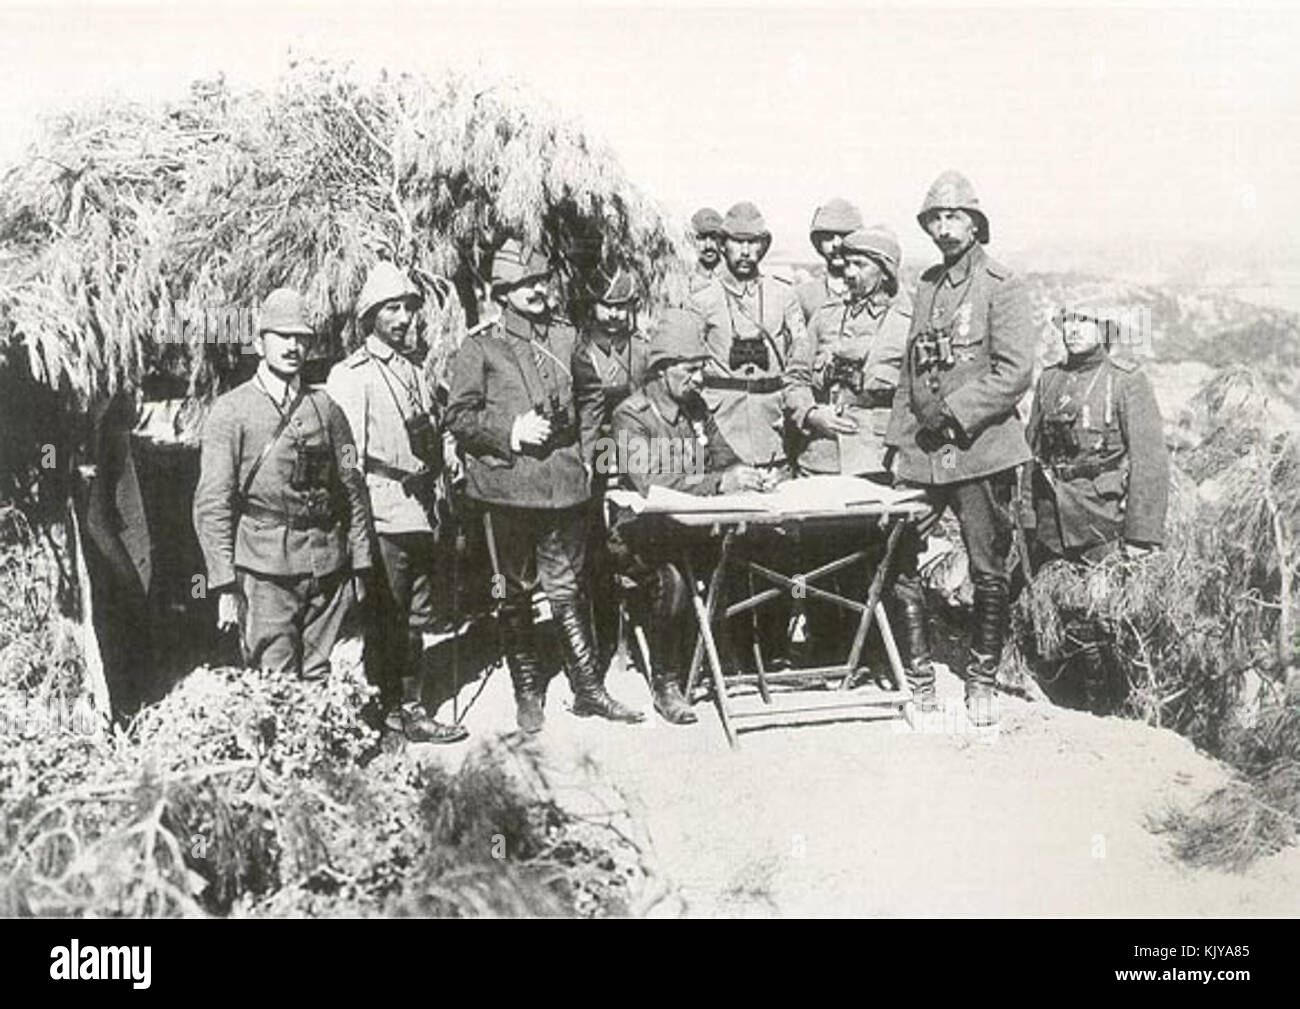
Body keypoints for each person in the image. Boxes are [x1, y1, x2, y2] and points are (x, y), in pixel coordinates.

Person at [446, 239, 644, 733]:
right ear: (503, 293)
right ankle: (527, 691)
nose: (536, 291)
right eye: (523, 285)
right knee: (513, 590)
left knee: (568, 587)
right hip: (507, 488)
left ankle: (588, 690)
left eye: (539, 281)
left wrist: (587, 451)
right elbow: (459, 417)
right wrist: (510, 432)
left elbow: (590, 395)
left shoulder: (565, 337)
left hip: (565, 485)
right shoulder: (481, 344)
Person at [885, 170, 1036, 725]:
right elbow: (911, 369)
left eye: (955, 218)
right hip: (926, 453)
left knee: (986, 567)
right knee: (901, 554)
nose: (945, 229)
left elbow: (1015, 372)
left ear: (975, 223)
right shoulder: (925, 285)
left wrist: (956, 412)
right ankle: (919, 676)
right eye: (936, 219)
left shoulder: (1003, 285)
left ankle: (981, 679)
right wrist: (897, 441)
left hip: (981, 450)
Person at [193, 288, 372, 679]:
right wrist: (223, 583)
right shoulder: (231, 412)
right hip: (264, 569)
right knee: (275, 679)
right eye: (282, 336)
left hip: (326, 564)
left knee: (319, 673)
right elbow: (213, 504)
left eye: (301, 338)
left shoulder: (326, 408)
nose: (293, 346)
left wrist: (360, 562)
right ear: (259, 343)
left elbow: (352, 484)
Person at [325, 262, 468, 744]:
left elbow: (434, 427)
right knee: (390, 616)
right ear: (371, 317)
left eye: (409, 308)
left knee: (416, 613)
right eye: (393, 309)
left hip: (420, 510)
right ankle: (396, 709)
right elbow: (347, 457)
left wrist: (448, 457)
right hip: (383, 510)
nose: (405, 318)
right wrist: (357, 524)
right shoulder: (352, 376)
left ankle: (401, 705)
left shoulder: (415, 371)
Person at [608, 308, 766, 723]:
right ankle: (668, 682)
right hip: (643, 537)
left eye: (700, 370)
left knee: (753, 554)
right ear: (662, 370)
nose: (698, 379)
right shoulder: (631, 415)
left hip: (694, 530)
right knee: (674, 583)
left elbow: (725, 457)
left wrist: (746, 475)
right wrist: (719, 483)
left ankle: (730, 659)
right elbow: (649, 483)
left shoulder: (695, 408)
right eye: (690, 370)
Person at [1026, 296, 1170, 712]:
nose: (1073, 329)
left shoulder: (1126, 381)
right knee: (1061, 611)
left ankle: (1111, 703)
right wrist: (1025, 513)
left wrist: (1142, 534)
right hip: (1053, 515)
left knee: (1104, 616)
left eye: (1085, 321)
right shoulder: (1049, 380)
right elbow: (1031, 450)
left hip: (1103, 518)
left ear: (1105, 330)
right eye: (1069, 320)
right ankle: (1071, 702)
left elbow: (1150, 460)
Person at [690, 200, 805, 480]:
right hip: (723, 428)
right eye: (736, 242)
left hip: (774, 428)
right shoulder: (701, 300)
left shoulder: (783, 295)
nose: (745, 251)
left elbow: (801, 355)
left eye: (752, 242)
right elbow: (689, 366)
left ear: (763, 245)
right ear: (722, 244)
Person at [573, 265, 651, 668]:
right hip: (594, 450)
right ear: (593, 307)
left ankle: (642, 636)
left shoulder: (644, 349)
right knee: (596, 551)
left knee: (635, 540)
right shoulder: (579, 349)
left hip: (635, 450)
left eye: (623, 306)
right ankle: (601, 642)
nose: (615, 315)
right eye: (607, 306)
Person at [787, 224, 910, 477]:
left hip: (878, 459)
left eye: (861, 265)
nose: (850, 273)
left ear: (885, 272)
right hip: (820, 458)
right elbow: (794, 378)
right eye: (848, 264)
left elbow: (919, 398)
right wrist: (810, 413)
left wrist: (902, 450)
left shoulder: (907, 323)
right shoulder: (825, 316)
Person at [794, 197, 865, 322]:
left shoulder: (872, 290)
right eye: (828, 236)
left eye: (844, 236)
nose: (836, 243)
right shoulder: (804, 296)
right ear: (818, 242)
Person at [689, 207, 725, 293]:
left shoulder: (735, 279)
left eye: (714, 238)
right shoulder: (684, 280)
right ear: (693, 241)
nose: (708, 245)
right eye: (702, 238)